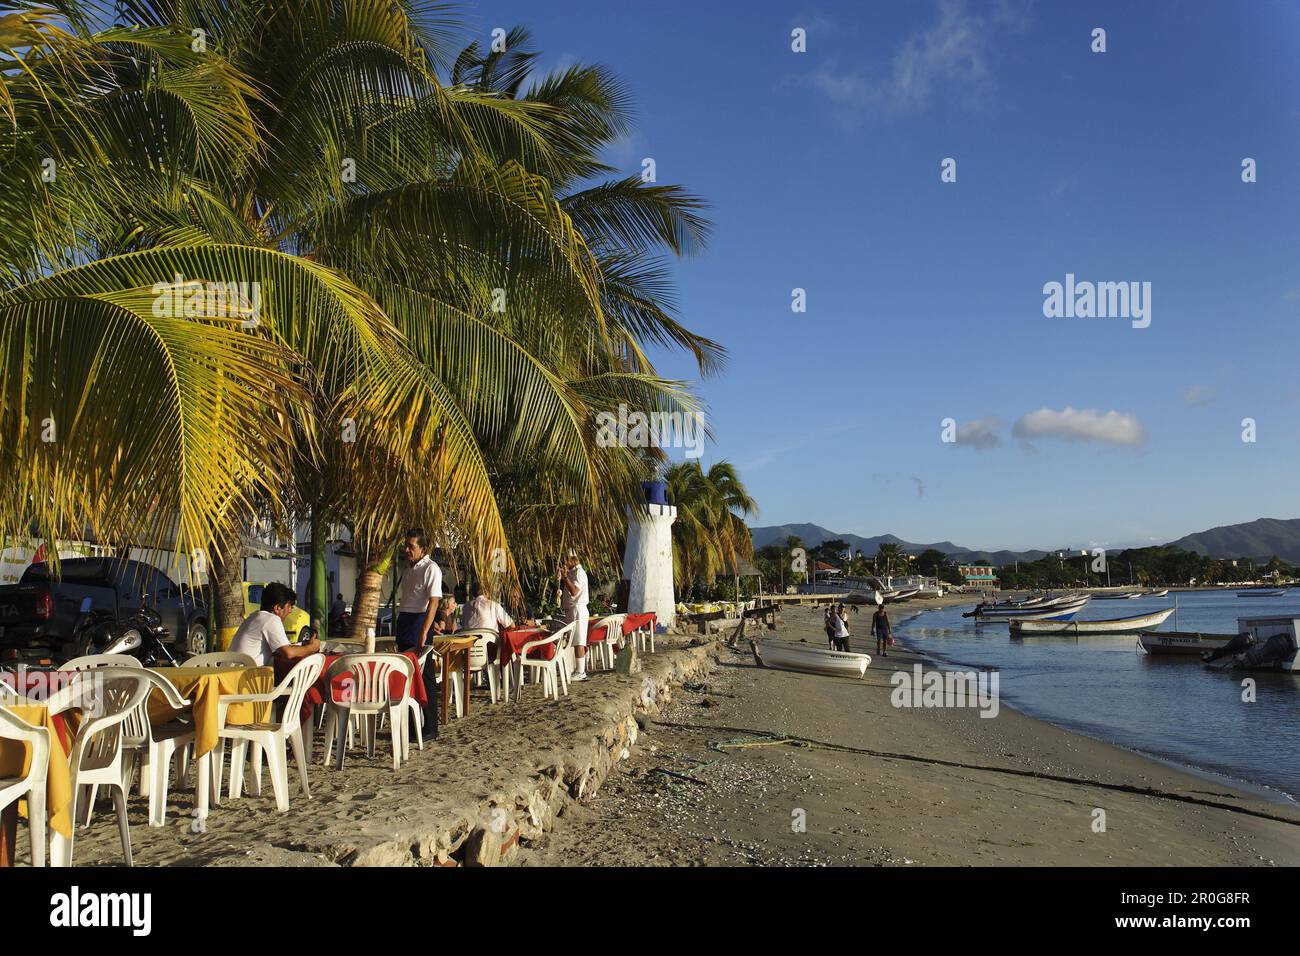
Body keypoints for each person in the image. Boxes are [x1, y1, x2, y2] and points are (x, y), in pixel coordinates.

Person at [229, 581, 320, 667]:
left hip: (231, 673)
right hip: (244, 677)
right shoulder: (271, 619)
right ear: (277, 608)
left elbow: (282, 648)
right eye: (289, 607)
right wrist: (312, 647)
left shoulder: (254, 617)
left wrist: (303, 645)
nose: (290, 611)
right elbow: (289, 653)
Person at [395, 528, 442, 653]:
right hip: (404, 619)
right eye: (406, 545)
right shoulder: (407, 569)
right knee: (404, 665)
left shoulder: (431, 568)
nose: (406, 550)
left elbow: (434, 602)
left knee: (423, 667)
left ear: (423, 549)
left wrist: (424, 631)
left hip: (419, 620)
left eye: (411, 546)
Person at [557, 550, 590, 681]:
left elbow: (575, 591)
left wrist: (565, 578)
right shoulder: (572, 573)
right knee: (573, 640)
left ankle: (581, 671)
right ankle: (575, 669)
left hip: (578, 610)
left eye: (566, 560)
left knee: (579, 641)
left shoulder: (579, 573)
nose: (564, 563)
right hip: (571, 610)